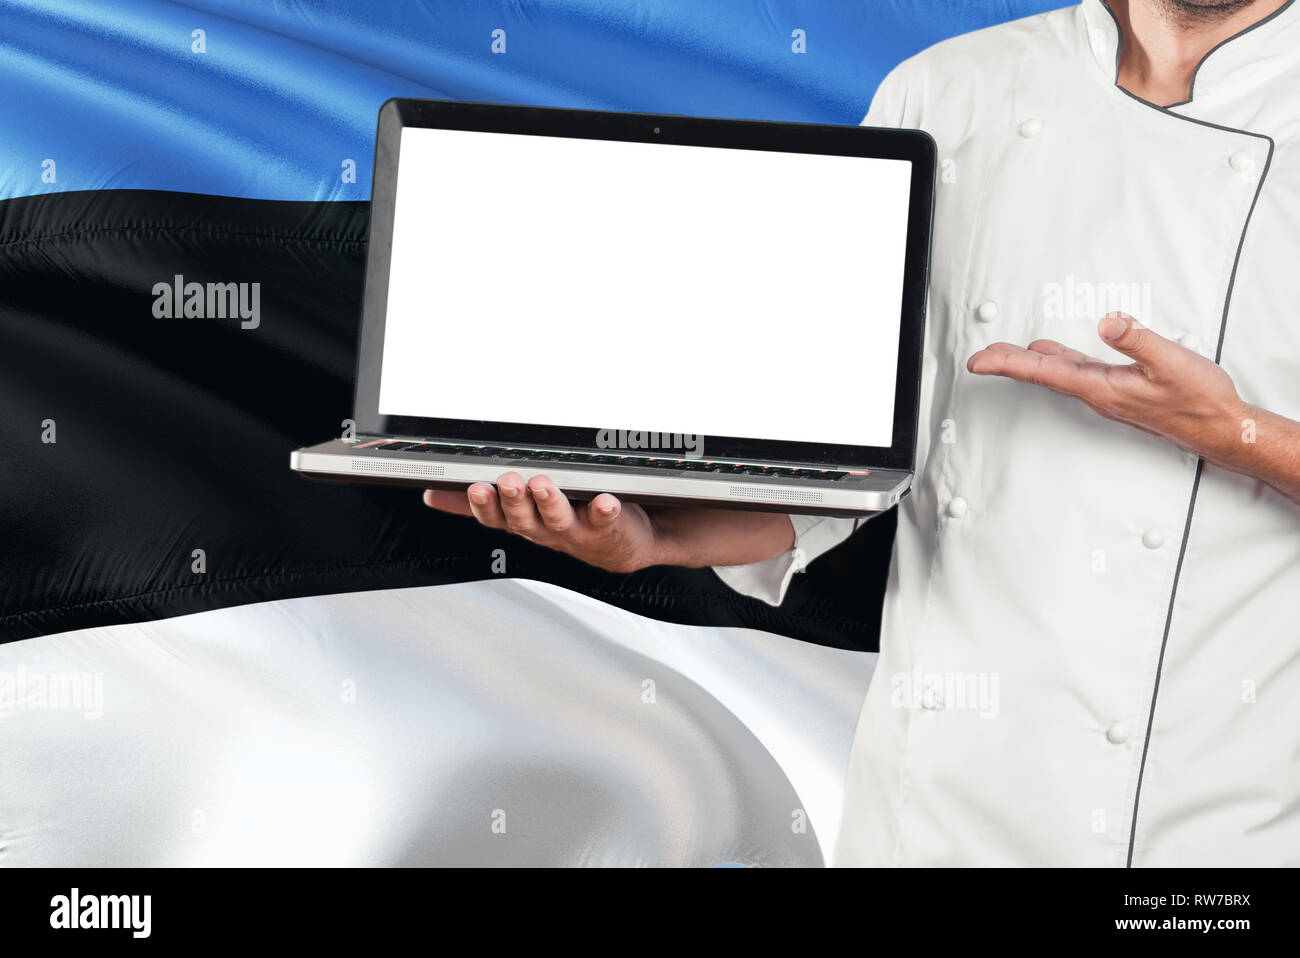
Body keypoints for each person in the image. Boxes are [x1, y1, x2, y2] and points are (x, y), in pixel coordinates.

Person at [426, 0, 1300, 865]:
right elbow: (861, 458)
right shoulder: (948, 90)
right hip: (936, 813)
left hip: (1216, 827)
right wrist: (658, 538)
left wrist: (1238, 435)